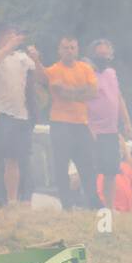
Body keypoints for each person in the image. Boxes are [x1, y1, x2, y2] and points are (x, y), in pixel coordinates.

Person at [34, 36, 99, 209]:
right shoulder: (54, 70)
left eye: (72, 47)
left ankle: (93, 203)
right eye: (65, 48)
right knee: (61, 166)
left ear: (77, 50)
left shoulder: (85, 68)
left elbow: (93, 92)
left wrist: (69, 92)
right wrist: (80, 92)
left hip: (81, 123)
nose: (69, 51)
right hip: (60, 122)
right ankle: (67, 205)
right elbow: (51, 86)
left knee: (87, 165)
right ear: (59, 50)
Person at [0, 25, 36, 206]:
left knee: (14, 159)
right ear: (0, 36)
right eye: (10, 35)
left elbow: (37, 79)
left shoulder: (23, 58)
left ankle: (12, 200)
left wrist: (37, 59)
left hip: (21, 115)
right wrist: (8, 48)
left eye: (16, 35)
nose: (15, 38)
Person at [85, 39, 132, 208]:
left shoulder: (112, 73)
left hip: (111, 130)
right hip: (93, 130)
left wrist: (126, 121)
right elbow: (82, 101)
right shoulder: (87, 73)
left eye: (106, 54)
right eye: (99, 55)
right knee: (92, 170)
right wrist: (87, 125)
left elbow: (119, 97)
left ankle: (110, 207)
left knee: (111, 170)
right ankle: (92, 204)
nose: (103, 58)